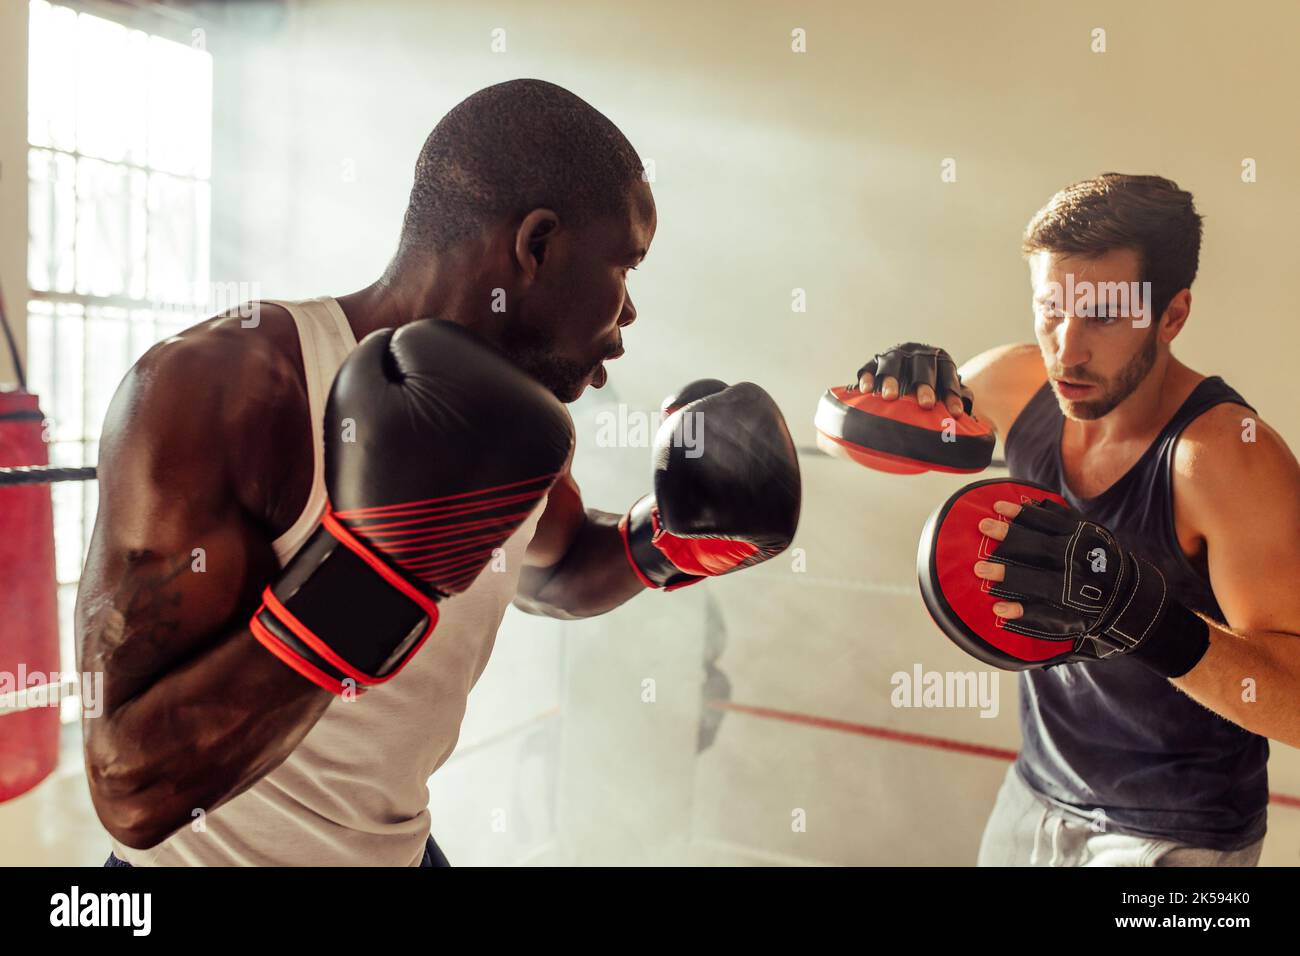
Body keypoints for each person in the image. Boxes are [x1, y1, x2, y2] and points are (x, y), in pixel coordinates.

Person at [76, 79, 801, 867]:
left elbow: (552, 576)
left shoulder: (504, 425)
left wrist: (672, 540)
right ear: (538, 245)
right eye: (625, 269)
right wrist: (371, 578)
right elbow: (130, 786)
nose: (628, 316)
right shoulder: (226, 387)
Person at [850, 173, 1300, 866]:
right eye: (1051, 309)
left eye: (1104, 316)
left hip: (1174, 838)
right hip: (1034, 797)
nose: (1068, 347)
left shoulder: (1224, 460)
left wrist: (1145, 619)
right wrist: (889, 385)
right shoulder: (1020, 386)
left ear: (1172, 316)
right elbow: (861, 442)